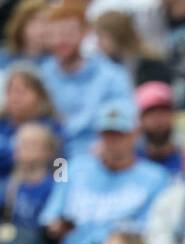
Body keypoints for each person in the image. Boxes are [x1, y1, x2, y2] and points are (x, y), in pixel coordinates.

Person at [41, 101, 170, 244]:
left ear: (135, 134)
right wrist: (56, 226)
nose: (113, 141)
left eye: (119, 134)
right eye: (107, 134)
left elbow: (151, 231)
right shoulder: (74, 167)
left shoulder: (157, 177)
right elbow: (51, 216)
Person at [42, 2, 135, 156]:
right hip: (55, 156)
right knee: (57, 172)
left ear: (85, 32)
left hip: (95, 154)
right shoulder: (42, 75)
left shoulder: (111, 75)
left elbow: (123, 114)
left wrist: (107, 142)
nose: (61, 41)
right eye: (54, 34)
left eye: (68, 34)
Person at [0, 66, 61, 181]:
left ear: (39, 96)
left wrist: (60, 186)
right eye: (11, 91)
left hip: (41, 190)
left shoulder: (52, 128)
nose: (15, 98)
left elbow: (61, 161)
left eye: (22, 92)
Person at [2, 122, 60, 230]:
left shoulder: (54, 188)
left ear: (48, 151)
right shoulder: (9, 184)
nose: (24, 149)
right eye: (20, 144)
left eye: (32, 144)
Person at [136, 82, 182, 174]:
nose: (158, 120)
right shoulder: (130, 162)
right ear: (140, 119)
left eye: (164, 112)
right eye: (151, 113)